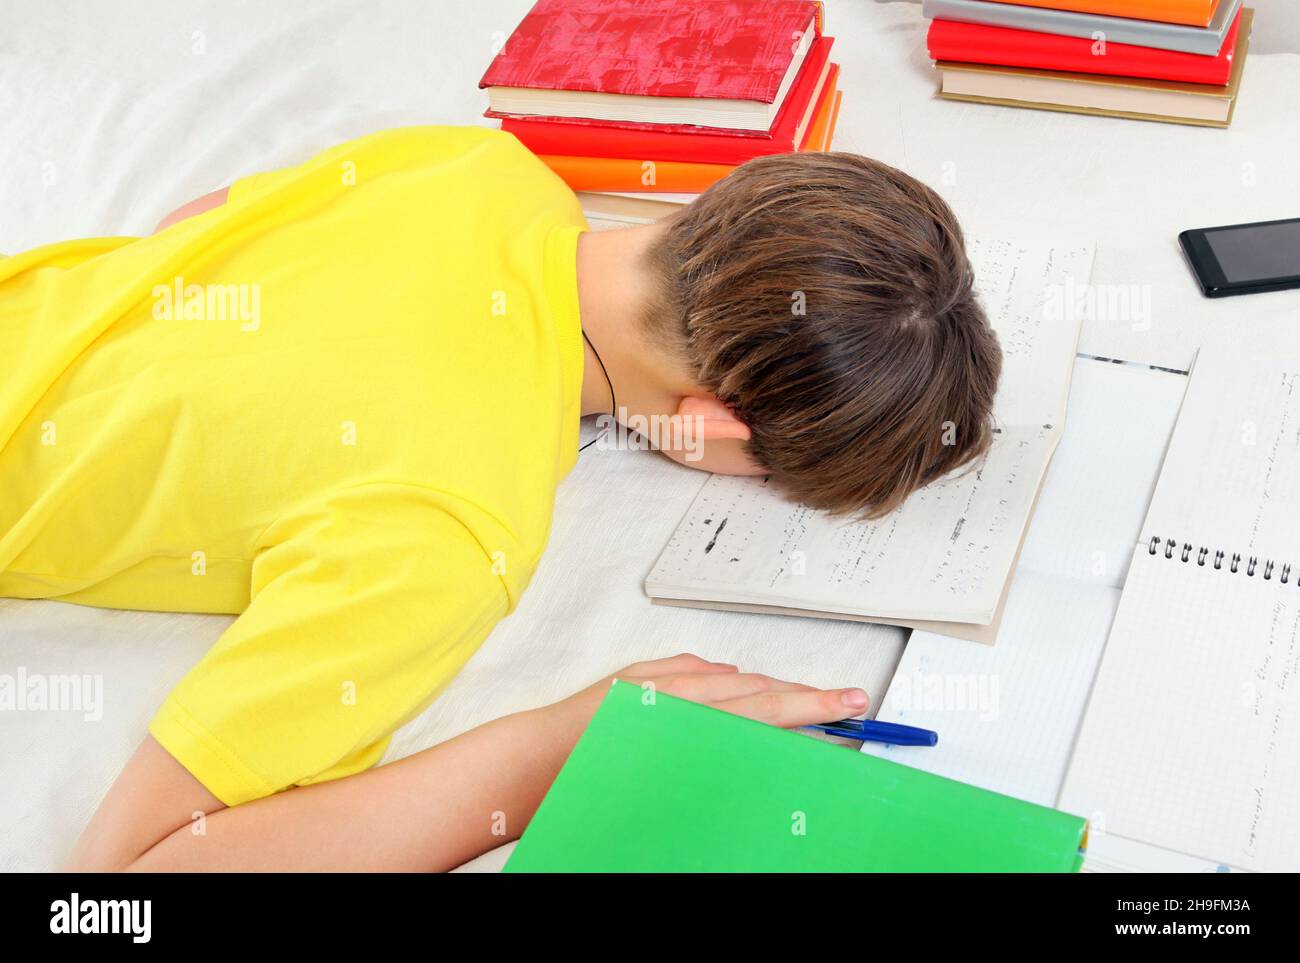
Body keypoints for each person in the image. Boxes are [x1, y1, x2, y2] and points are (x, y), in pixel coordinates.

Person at [0, 125, 1000, 870]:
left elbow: (190, 229)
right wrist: (551, 752)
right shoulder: (448, 523)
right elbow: (120, 886)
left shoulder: (481, 164)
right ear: (715, 423)